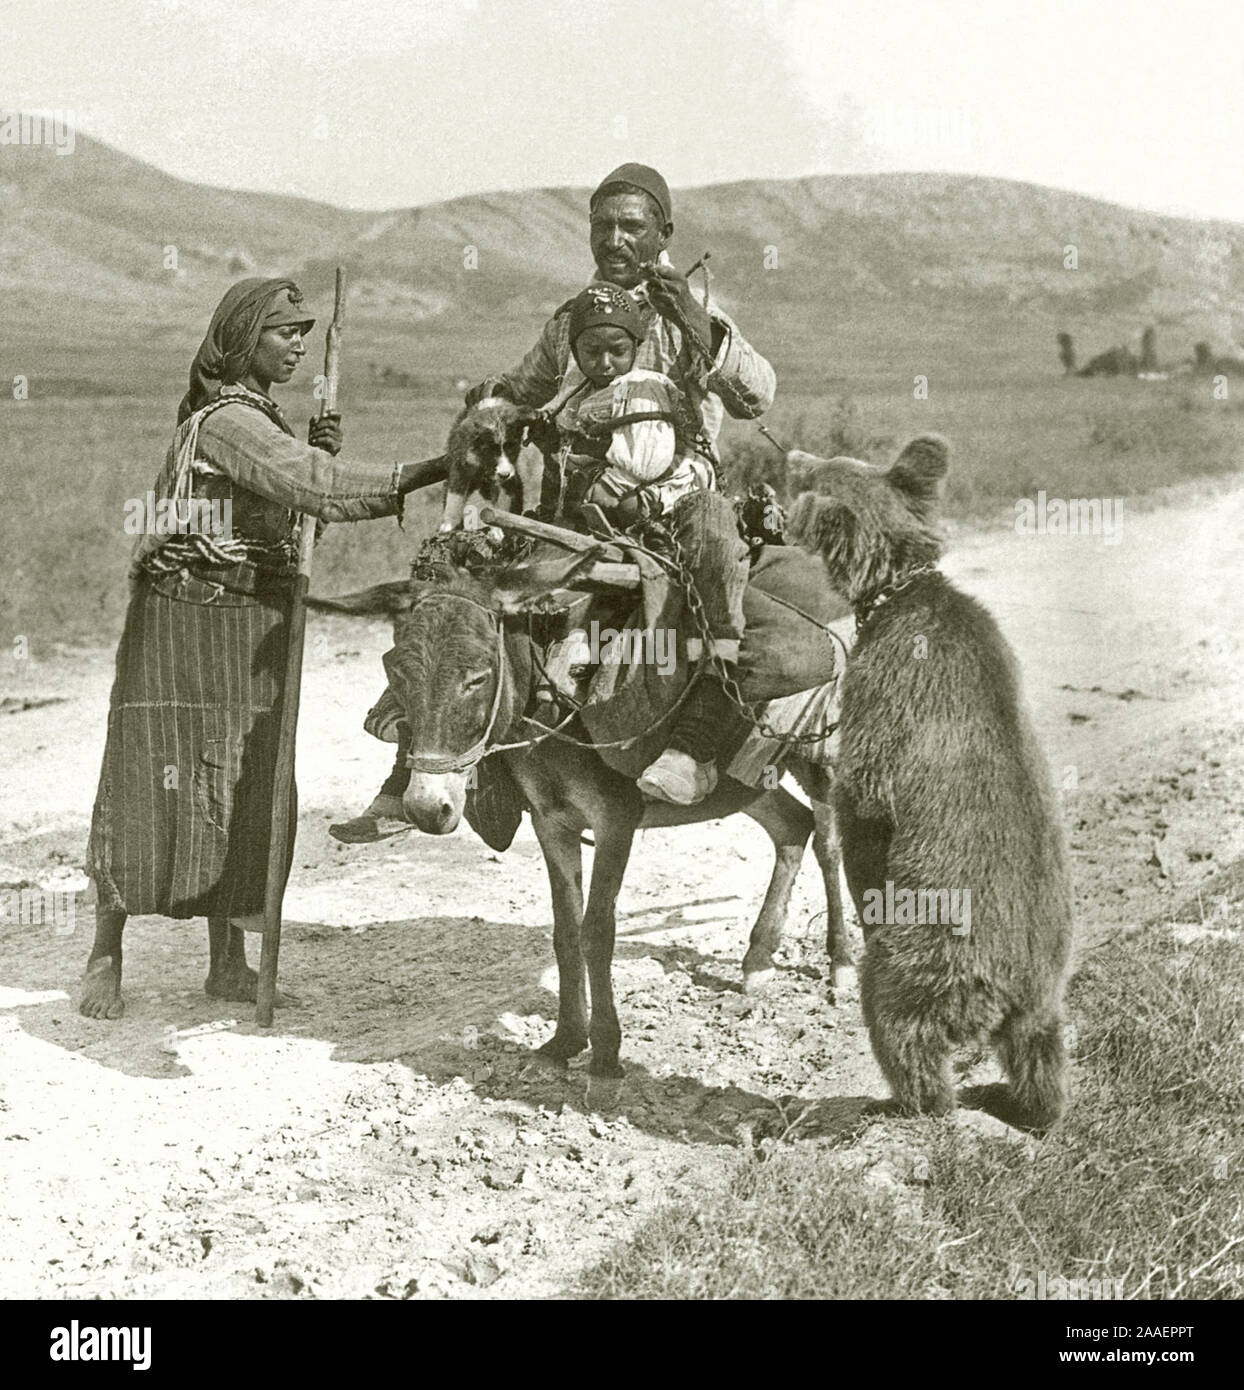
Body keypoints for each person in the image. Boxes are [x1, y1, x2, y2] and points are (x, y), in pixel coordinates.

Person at [335, 161, 775, 835]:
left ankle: (695, 745)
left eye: (632, 226)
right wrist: (490, 413)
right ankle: (416, 760)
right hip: (578, 508)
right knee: (458, 570)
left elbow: (757, 396)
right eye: (603, 226)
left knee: (719, 560)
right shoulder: (573, 319)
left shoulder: (698, 314)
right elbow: (521, 388)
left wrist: (700, 327)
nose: (616, 239)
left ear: (665, 231)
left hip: (679, 499)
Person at [80, 277, 427, 1020]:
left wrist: (313, 465)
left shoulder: (260, 420)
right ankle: (104, 953)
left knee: (245, 781)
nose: (298, 344)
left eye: (305, 331)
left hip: (252, 615)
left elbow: (295, 512)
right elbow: (319, 489)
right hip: (187, 619)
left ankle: (227, 965)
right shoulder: (230, 421)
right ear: (243, 341)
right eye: (283, 332)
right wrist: (424, 472)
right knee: (153, 777)